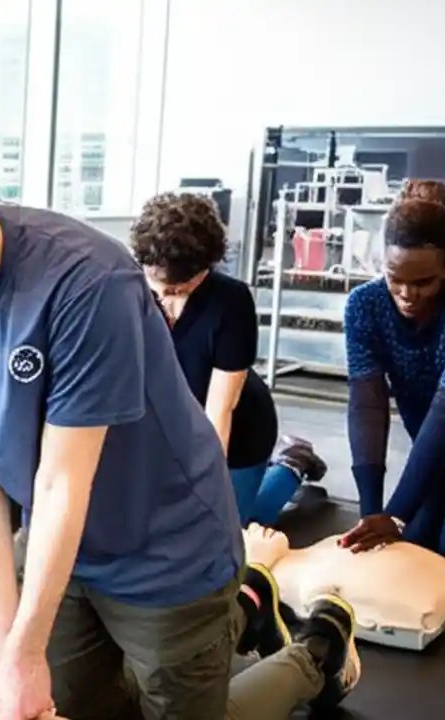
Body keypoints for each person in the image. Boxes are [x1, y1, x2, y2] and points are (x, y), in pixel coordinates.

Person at [0, 119, 358, 720]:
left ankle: (314, 653)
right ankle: (248, 605)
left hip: (164, 546)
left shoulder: (87, 282)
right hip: (58, 540)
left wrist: (24, 648)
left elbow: (63, 479)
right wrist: (9, 637)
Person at [129, 191, 325, 527]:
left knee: (228, 529)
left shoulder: (231, 301)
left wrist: (205, 492)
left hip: (238, 427)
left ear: (207, 266)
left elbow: (218, 412)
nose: (166, 297)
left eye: (180, 288)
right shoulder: (127, 288)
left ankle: (292, 463)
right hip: (164, 419)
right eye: (158, 285)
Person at [339, 197, 445, 563]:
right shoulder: (365, 305)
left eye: (422, 282)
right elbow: (367, 403)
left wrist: (396, 513)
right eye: (395, 279)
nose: (407, 294)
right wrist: (372, 510)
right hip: (432, 445)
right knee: (414, 547)